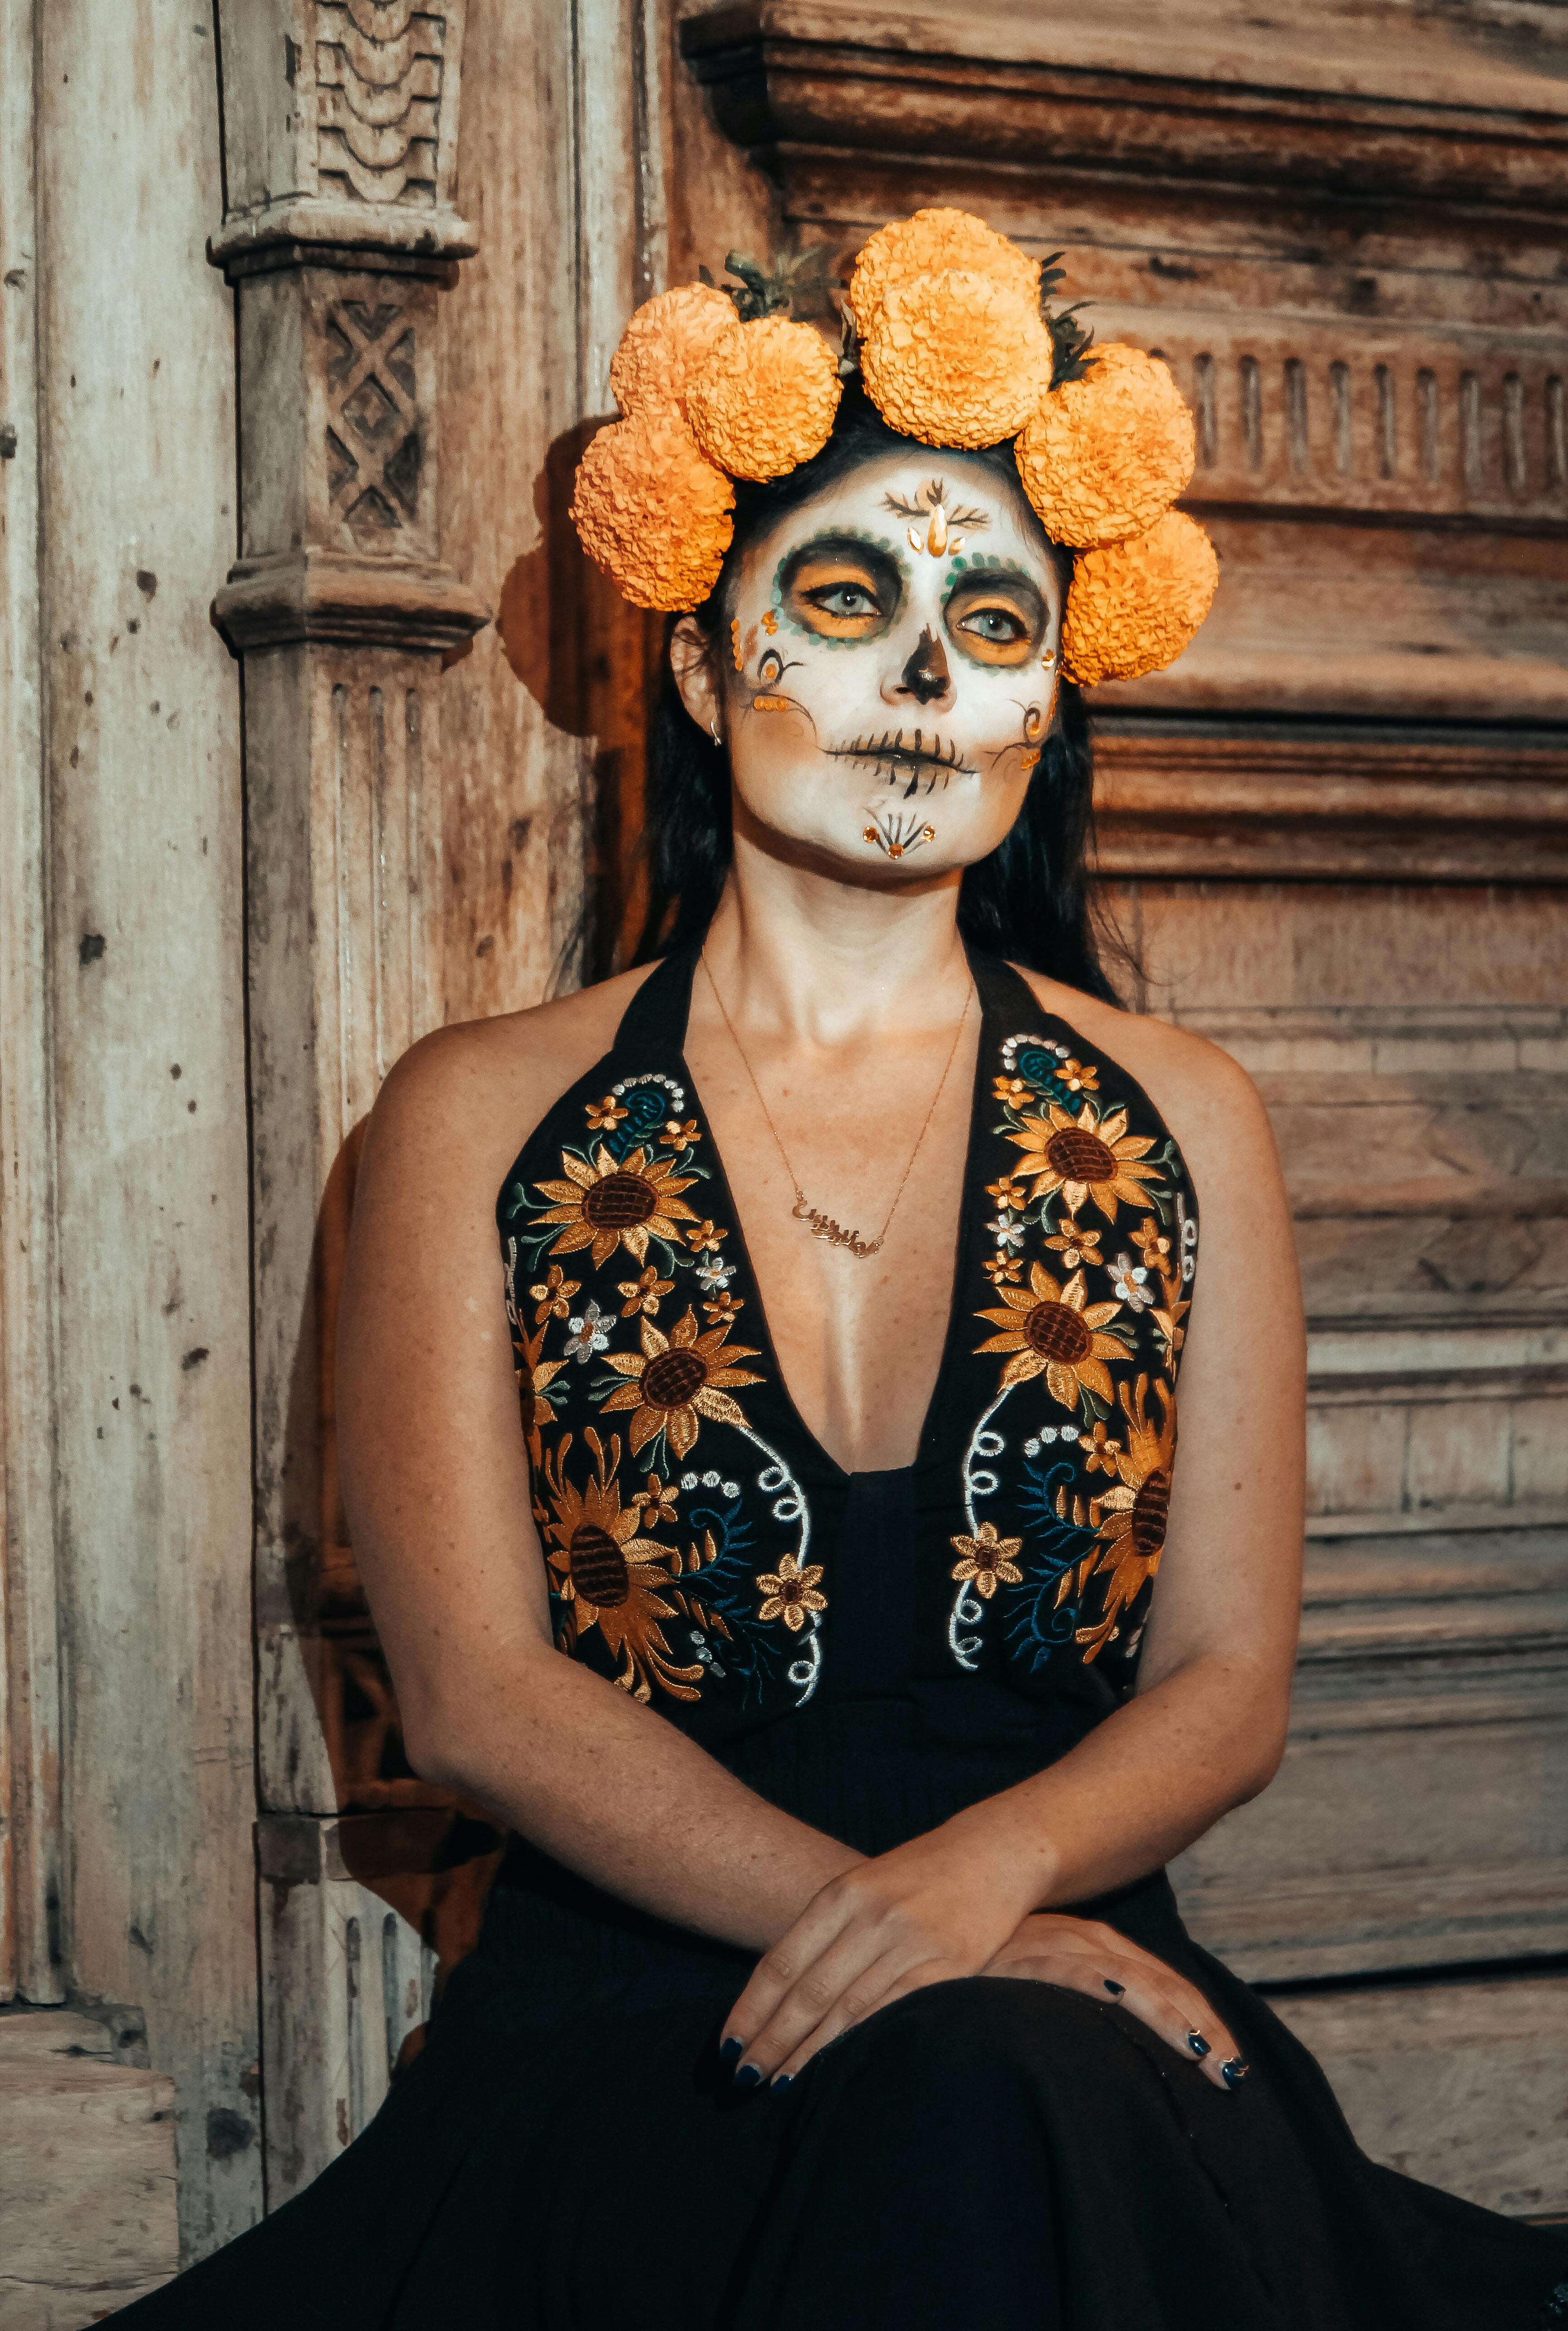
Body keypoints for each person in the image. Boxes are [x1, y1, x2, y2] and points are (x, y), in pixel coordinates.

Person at [121, 211, 1566, 2329]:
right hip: (652, 2027)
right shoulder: (484, 1114)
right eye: (844, 596)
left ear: (1050, 692)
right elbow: (480, 1699)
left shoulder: (1184, 1122)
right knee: (989, 2079)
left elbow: (1222, 1688)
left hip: (1090, 1997)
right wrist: (898, 1926)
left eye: (990, 618)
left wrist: (994, 1884)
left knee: (1011, 2097)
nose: (918, 678)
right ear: (706, 666)